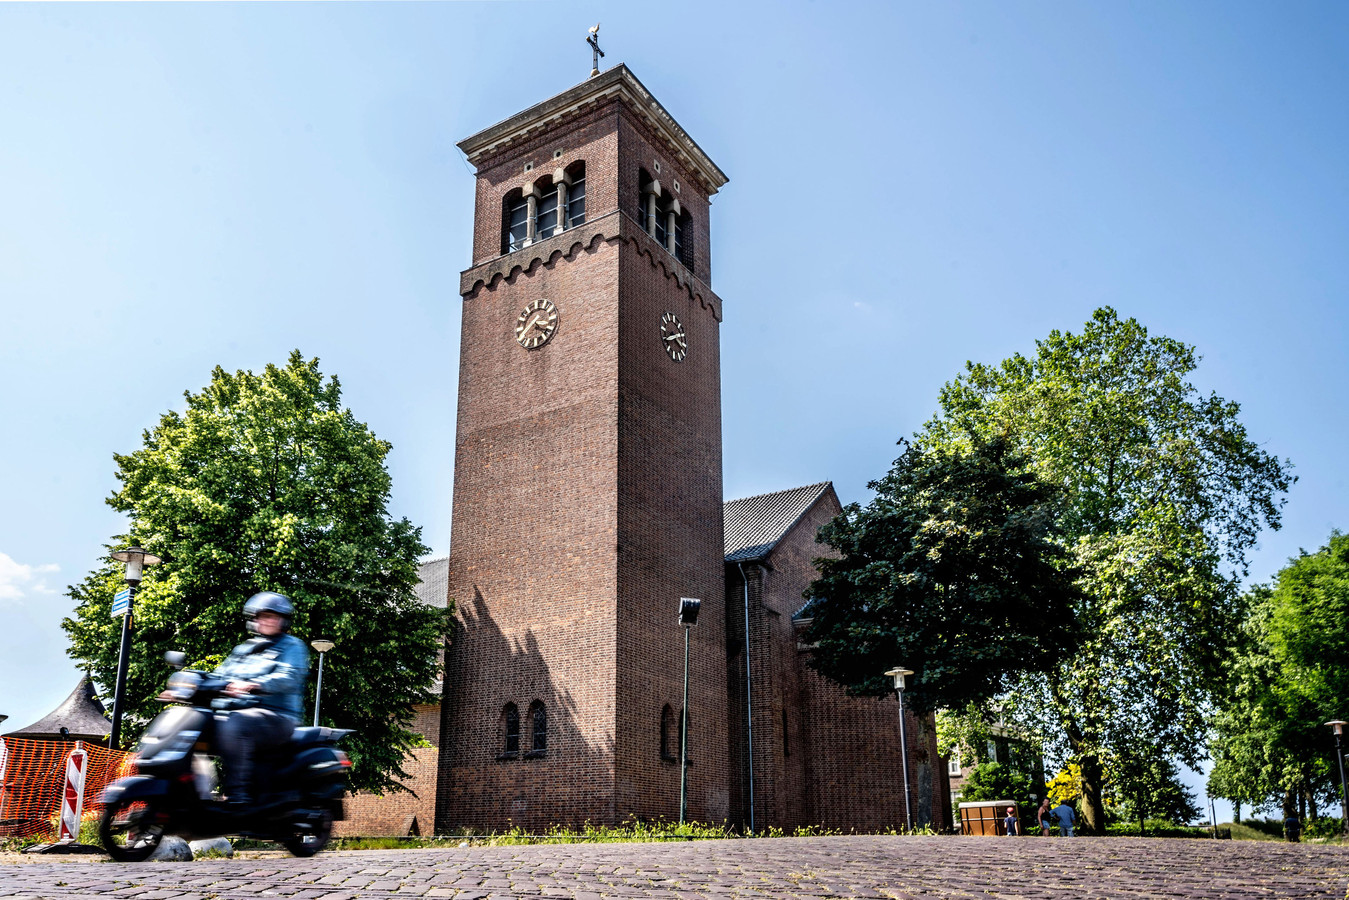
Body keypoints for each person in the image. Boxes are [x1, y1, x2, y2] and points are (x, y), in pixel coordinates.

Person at [213, 592, 309, 811]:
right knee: (203, 722)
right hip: (243, 713)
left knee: (235, 724)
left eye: (272, 616)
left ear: (283, 620)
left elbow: (289, 676)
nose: (266, 620)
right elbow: (221, 674)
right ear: (253, 619)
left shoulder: (292, 646)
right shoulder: (244, 649)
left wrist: (255, 685)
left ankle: (238, 795)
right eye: (262, 616)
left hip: (279, 716)